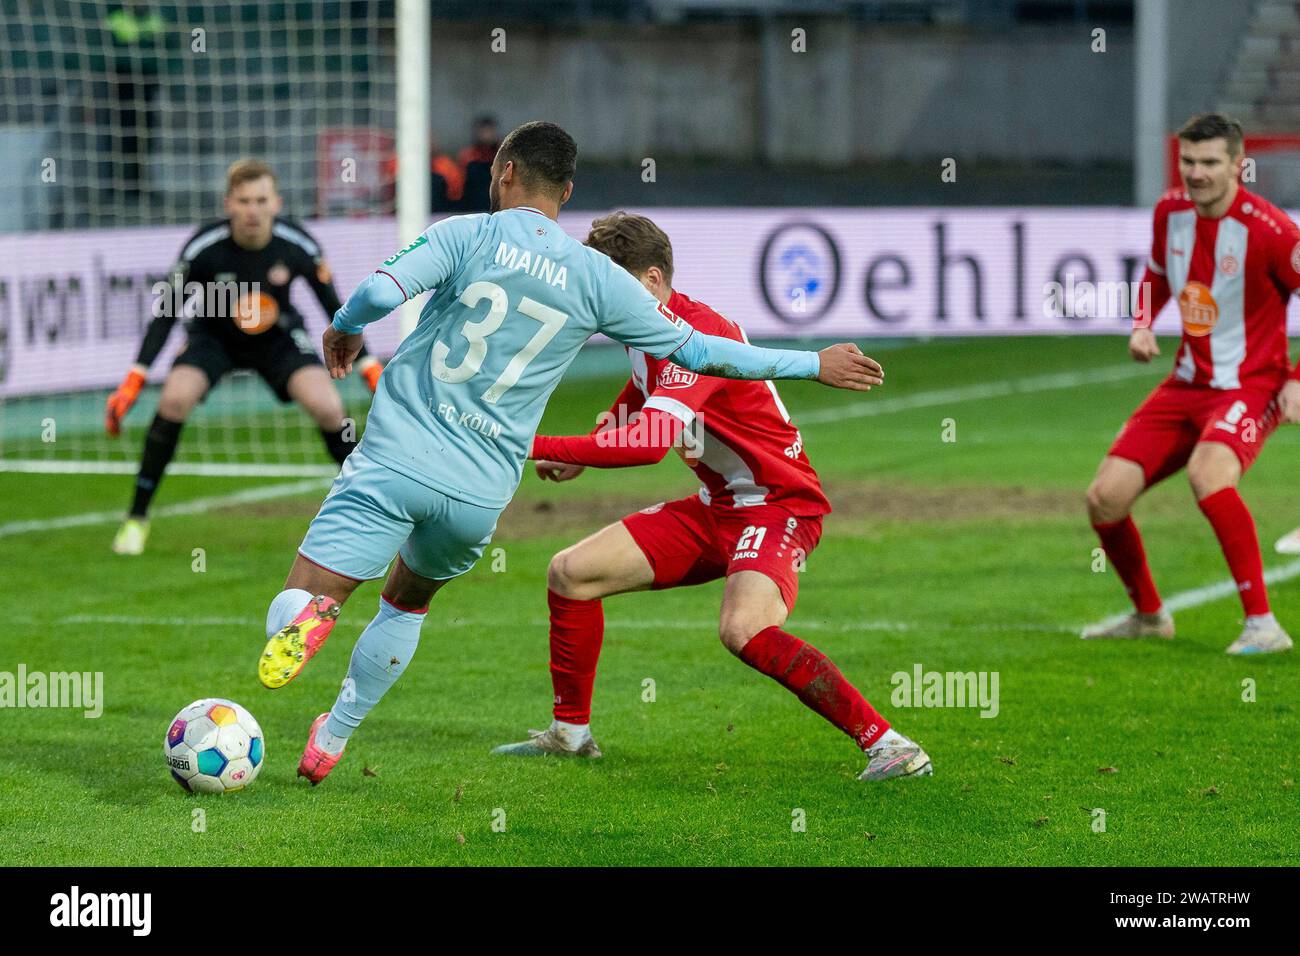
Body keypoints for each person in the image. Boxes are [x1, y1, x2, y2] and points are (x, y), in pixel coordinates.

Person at [251, 121, 886, 785]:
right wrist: (812, 361)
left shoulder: (467, 233)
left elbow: (381, 295)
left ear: (502, 174)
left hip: (405, 453)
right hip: (480, 491)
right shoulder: (595, 279)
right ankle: (338, 735)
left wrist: (345, 329)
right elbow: (695, 354)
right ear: (568, 189)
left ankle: (314, 613)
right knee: (420, 600)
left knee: (300, 602)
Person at [489, 212, 931, 780]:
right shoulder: (643, 326)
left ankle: (891, 745)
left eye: (608, 282)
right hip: (717, 506)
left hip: (778, 505)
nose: (597, 298)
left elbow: (649, 444)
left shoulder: (699, 337)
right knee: (571, 573)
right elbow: (641, 392)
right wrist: (586, 447)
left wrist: (529, 441)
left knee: (742, 630)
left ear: (651, 280)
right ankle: (571, 736)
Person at [1083, 113, 1300, 654]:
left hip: (1253, 384)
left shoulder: (1272, 232)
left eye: (1209, 163)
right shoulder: (1170, 211)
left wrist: (1296, 378)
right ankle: (1150, 616)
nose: (1197, 173)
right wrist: (1141, 322)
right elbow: (1155, 275)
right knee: (1104, 499)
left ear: (1236, 165)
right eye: (1188, 162)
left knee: (1209, 476)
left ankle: (1262, 625)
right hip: (1186, 383)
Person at [104, 159, 382, 555]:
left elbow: (336, 308)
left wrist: (369, 368)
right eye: (244, 201)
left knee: (328, 407)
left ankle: (371, 512)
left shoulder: (297, 244)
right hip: (214, 337)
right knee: (174, 400)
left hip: (279, 338)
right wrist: (135, 378)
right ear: (228, 204)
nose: (253, 210)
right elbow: (166, 313)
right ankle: (137, 517)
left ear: (276, 203)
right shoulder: (204, 248)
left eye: (261, 200)